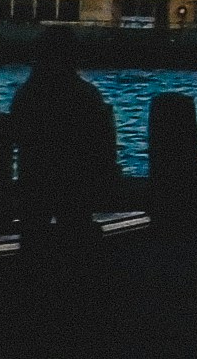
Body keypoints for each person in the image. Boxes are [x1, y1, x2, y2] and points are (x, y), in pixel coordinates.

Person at [7, 22, 123, 236]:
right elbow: (104, 145)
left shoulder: (27, 94)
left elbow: (15, 133)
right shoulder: (86, 94)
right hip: (76, 184)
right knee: (75, 233)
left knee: (34, 235)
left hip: (35, 181)